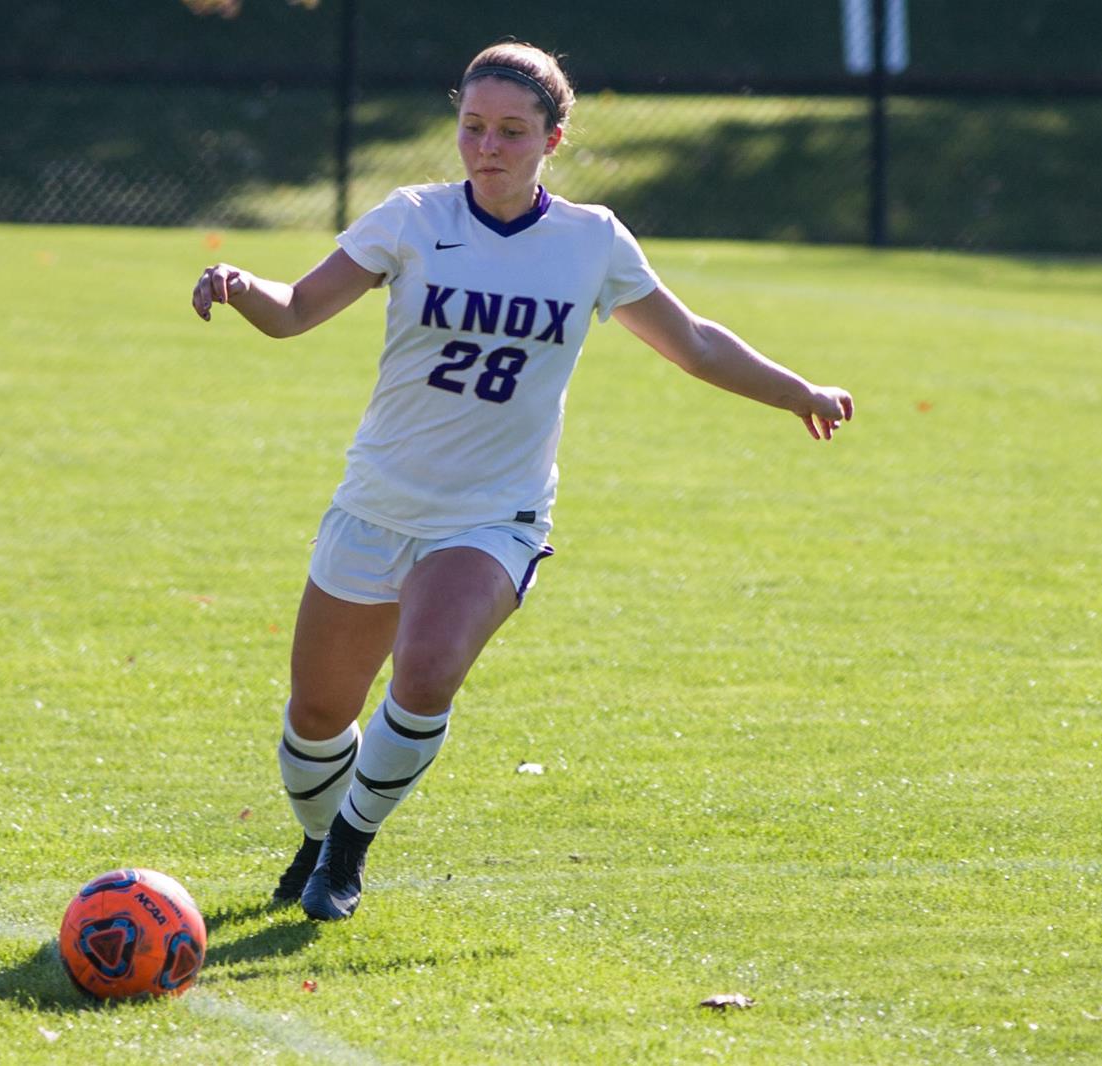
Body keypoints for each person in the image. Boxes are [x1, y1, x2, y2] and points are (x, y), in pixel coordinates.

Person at [189, 41, 854, 922]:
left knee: (424, 674)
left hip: (492, 518)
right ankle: (317, 837)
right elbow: (298, 311)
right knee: (316, 717)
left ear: (554, 137)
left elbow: (691, 341)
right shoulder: (410, 218)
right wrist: (240, 285)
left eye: (511, 130)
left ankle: (346, 852)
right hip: (377, 504)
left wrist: (797, 391)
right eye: (472, 128)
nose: (487, 147)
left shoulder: (591, 242)